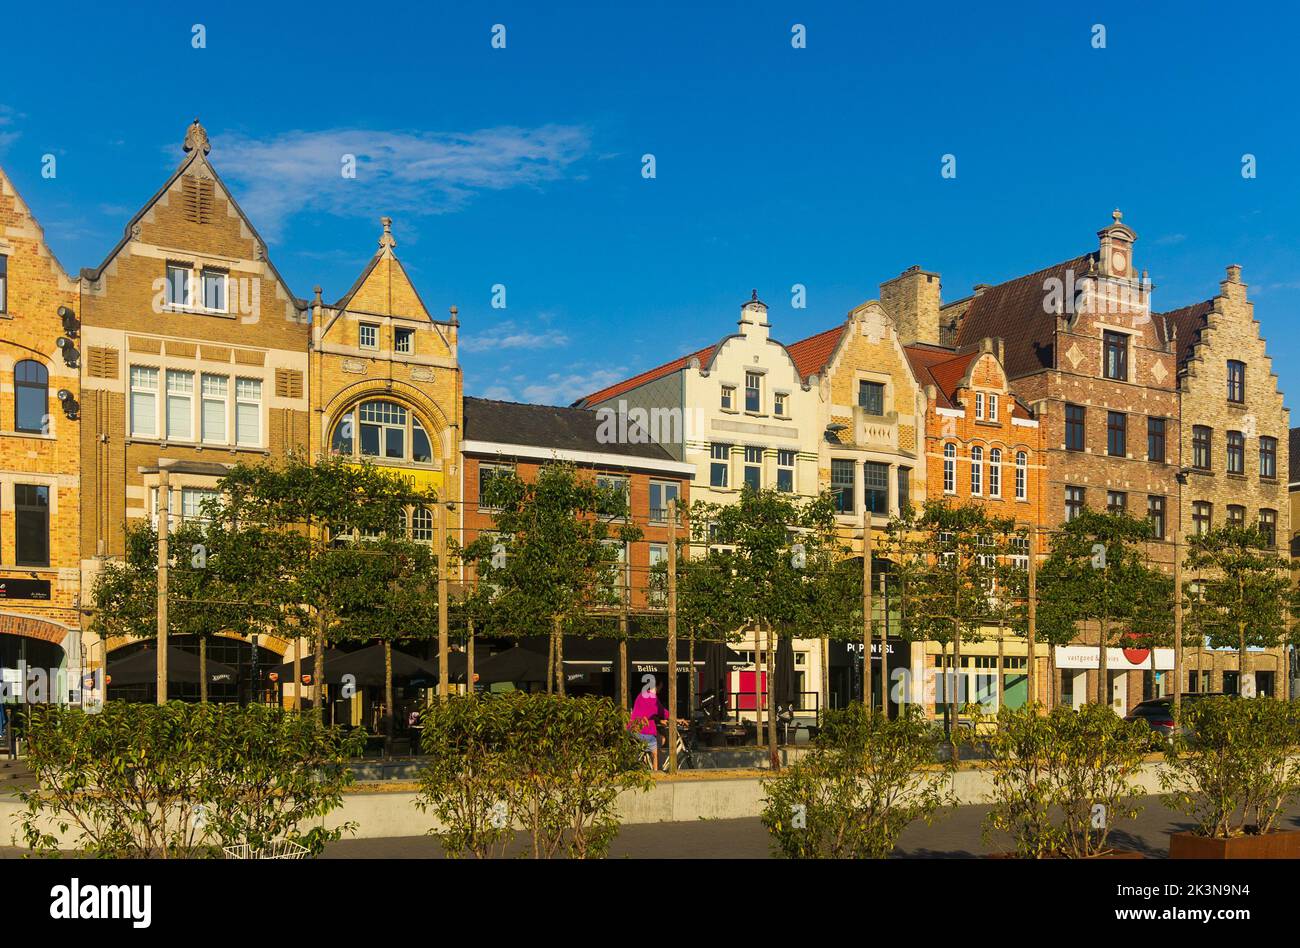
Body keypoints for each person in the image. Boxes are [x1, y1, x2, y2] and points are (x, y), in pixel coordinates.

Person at [628, 679, 668, 770]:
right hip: (640, 730)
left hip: (637, 728)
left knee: (661, 739)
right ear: (656, 686)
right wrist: (676, 718)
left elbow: (648, 713)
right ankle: (655, 773)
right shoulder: (650, 697)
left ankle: (647, 759)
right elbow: (662, 711)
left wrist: (659, 721)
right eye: (660, 687)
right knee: (655, 750)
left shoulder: (643, 695)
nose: (660, 690)